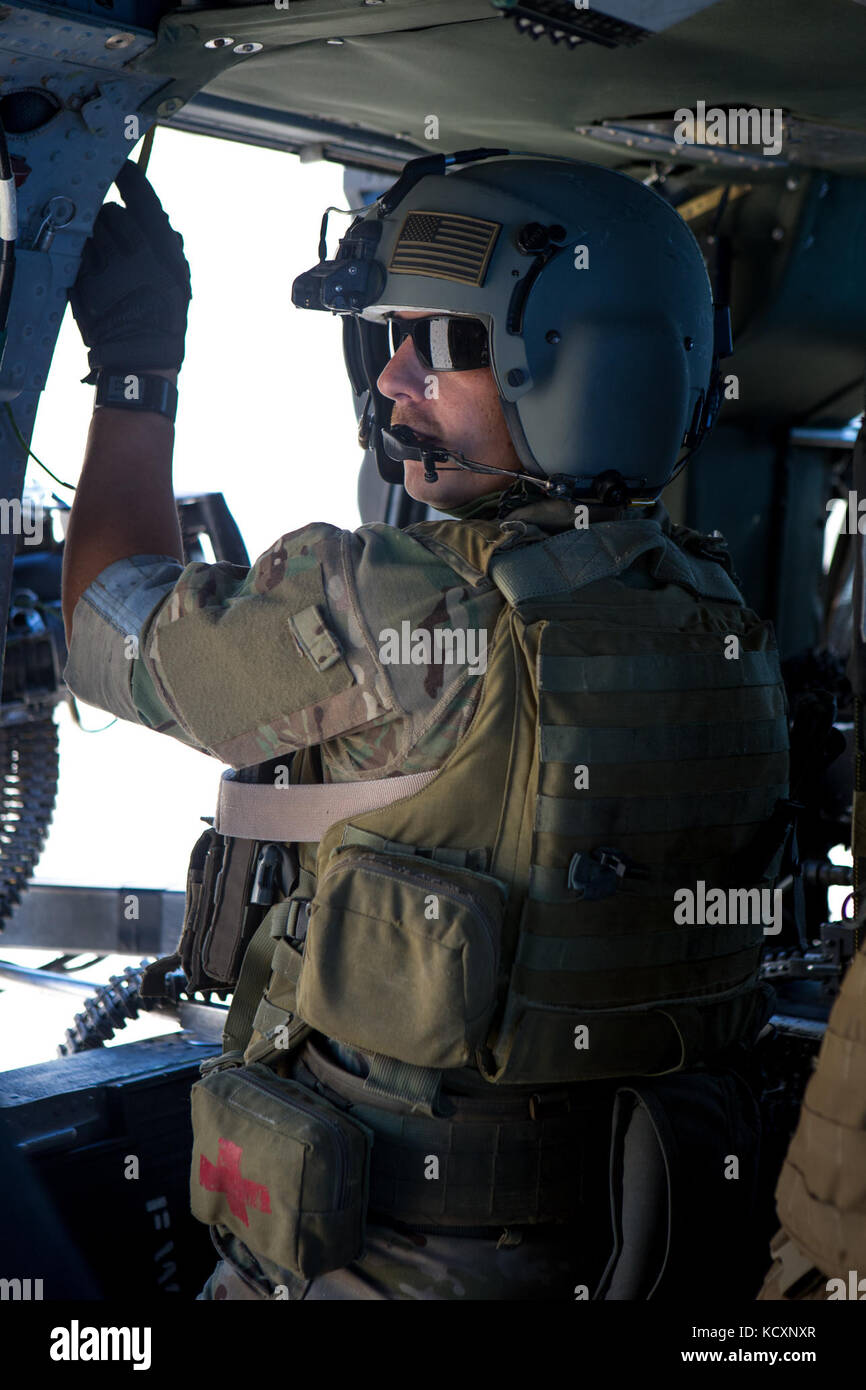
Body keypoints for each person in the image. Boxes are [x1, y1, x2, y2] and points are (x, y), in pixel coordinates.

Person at [62, 152, 791, 1301]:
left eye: (442, 344)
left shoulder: (398, 601)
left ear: (572, 364)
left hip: (386, 1267)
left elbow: (103, 627)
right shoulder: (718, 618)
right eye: (390, 337)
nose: (393, 378)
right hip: (620, 1259)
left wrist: (137, 367)